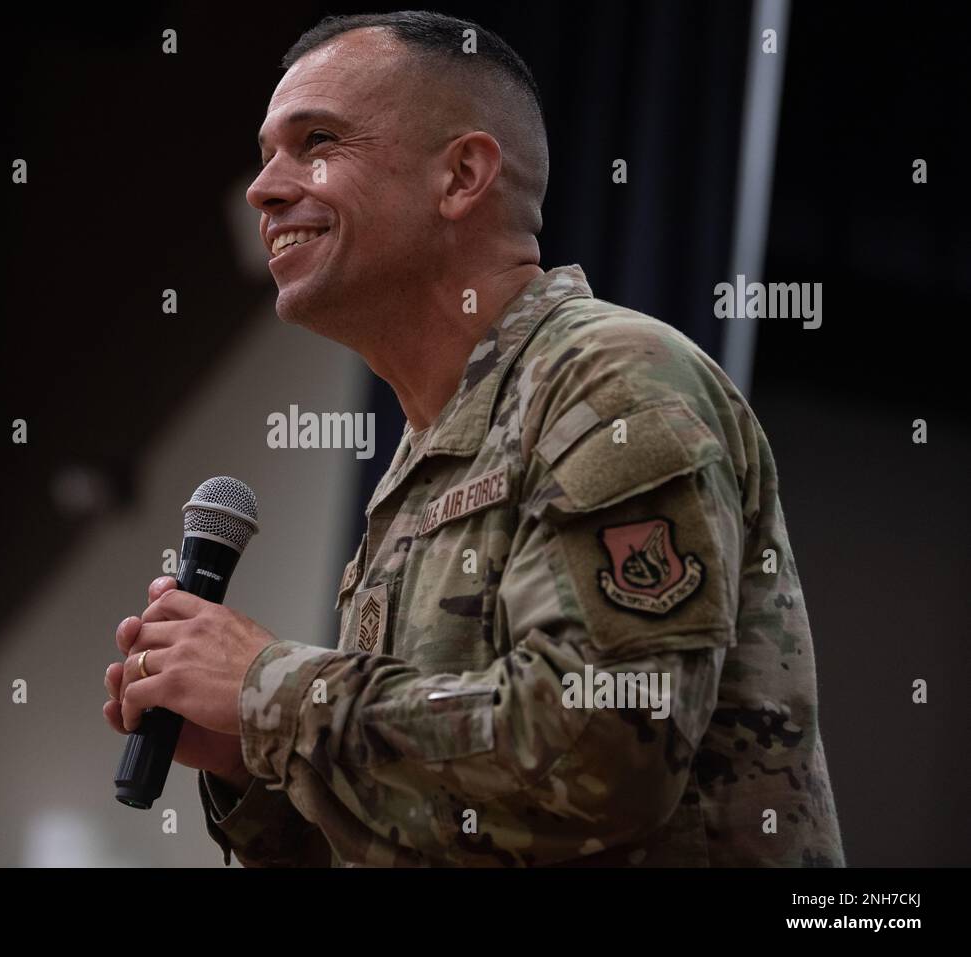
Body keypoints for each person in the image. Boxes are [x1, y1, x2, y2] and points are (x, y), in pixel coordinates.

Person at [104, 10, 845, 867]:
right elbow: (446, 825)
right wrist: (248, 754)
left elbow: (603, 751)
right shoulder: (425, 459)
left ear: (461, 176)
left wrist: (269, 689)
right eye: (267, 151)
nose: (263, 187)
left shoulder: (611, 380)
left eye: (316, 141)